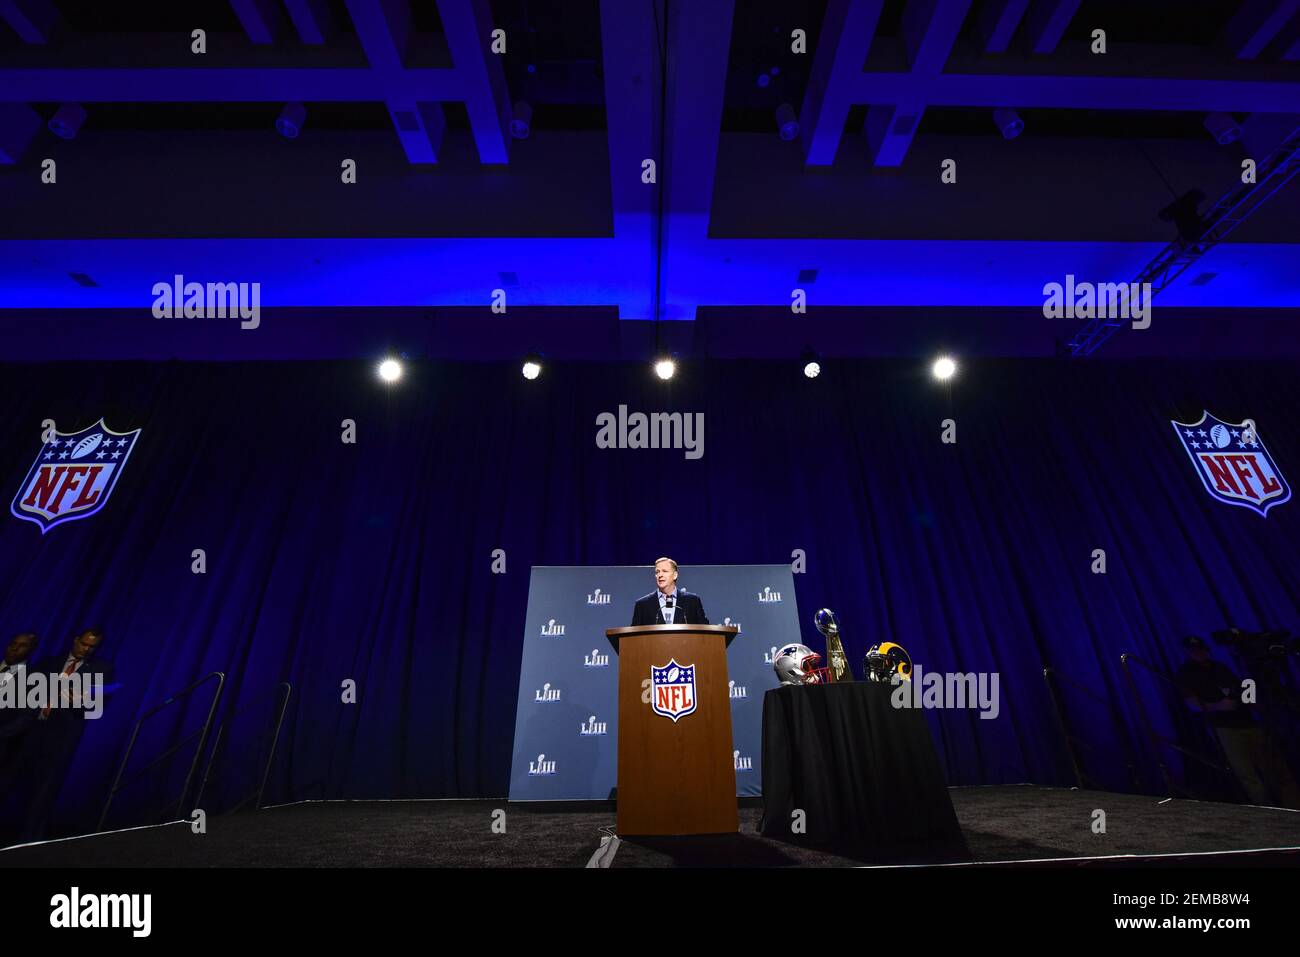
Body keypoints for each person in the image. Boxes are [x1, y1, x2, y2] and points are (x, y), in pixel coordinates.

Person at [7, 628, 115, 842]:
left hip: (61, 738)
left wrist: (79, 700)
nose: (86, 649)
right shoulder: (49, 663)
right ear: (75, 640)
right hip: (30, 732)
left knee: (43, 793)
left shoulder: (101, 669)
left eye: (92, 646)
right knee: (12, 782)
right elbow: (24, 694)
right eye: (84, 643)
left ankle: (28, 841)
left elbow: (98, 704)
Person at [1174, 634, 1299, 808]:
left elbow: (1245, 689)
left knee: (1275, 766)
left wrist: (1255, 705)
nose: (1198, 653)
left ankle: (1293, 805)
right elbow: (1192, 704)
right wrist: (1219, 706)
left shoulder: (1222, 668)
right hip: (1224, 728)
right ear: (1187, 652)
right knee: (1246, 773)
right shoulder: (1186, 673)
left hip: (1249, 722)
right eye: (1193, 650)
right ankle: (1266, 809)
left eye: (1200, 649)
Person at [631, 557, 708, 626]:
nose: (660, 575)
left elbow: (705, 630)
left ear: (675, 575)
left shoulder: (693, 601)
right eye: (657, 572)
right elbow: (633, 636)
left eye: (664, 571)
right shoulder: (642, 605)